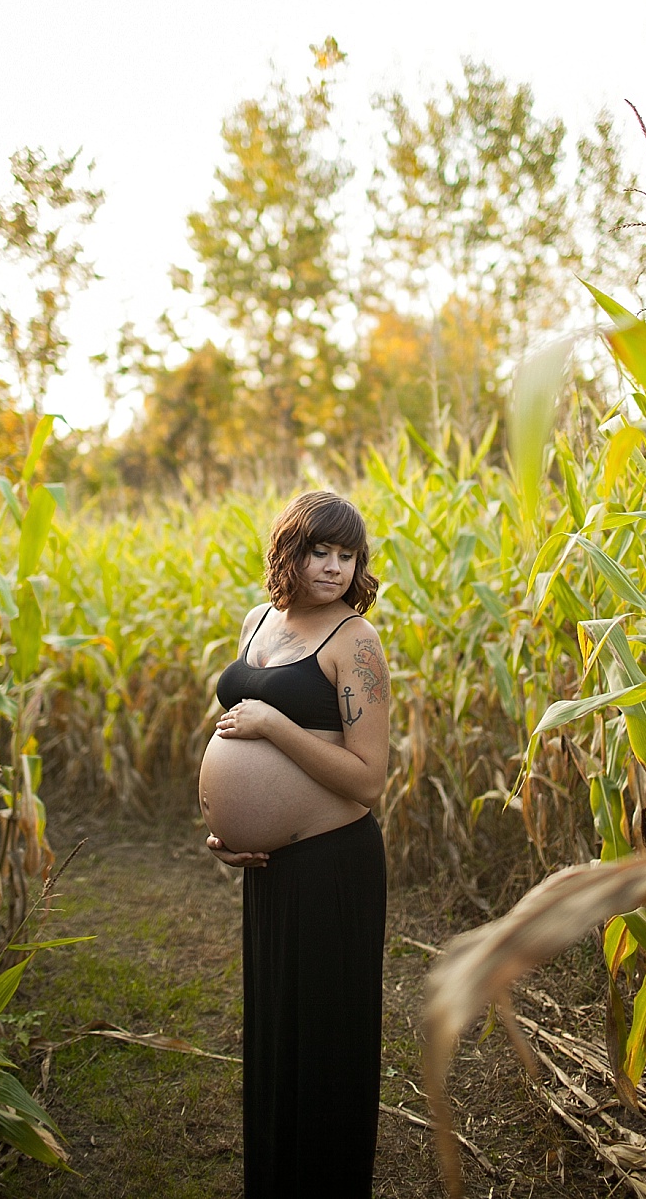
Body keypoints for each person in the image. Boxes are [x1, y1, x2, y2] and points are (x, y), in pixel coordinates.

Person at [202, 491, 390, 1198]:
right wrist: (226, 827)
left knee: (324, 1043)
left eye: (348, 556)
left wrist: (276, 729)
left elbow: (369, 780)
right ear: (291, 550)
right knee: (276, 1034)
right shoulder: (258, 620)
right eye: (322, 551)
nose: (336, 567)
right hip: (269, 867)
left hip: (332, 867)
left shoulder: (354, 641)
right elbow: (232, 726)